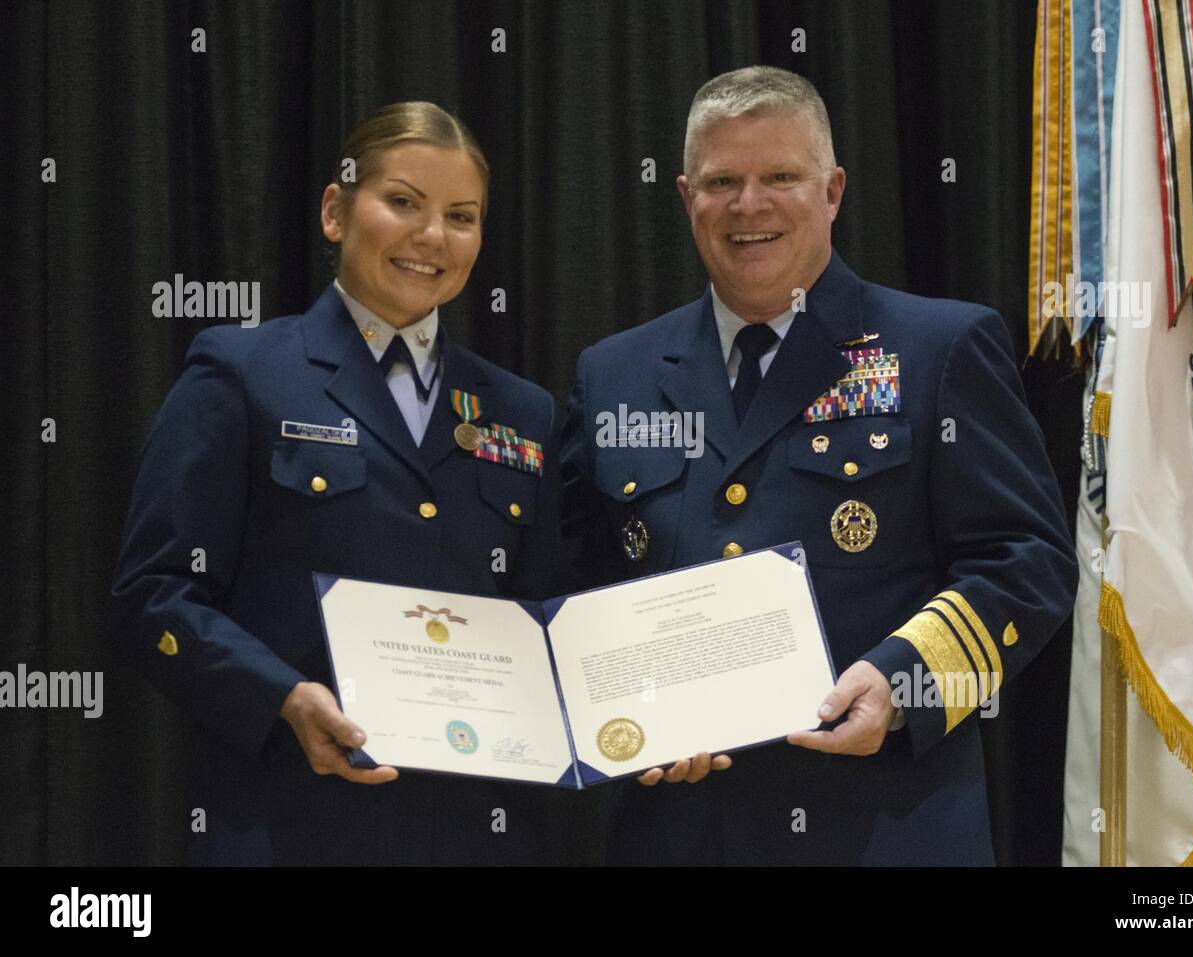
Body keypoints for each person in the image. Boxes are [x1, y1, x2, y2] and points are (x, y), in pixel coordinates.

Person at [559, 66, 1077, 865]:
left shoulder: (938, 347)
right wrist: (624, 707)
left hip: (880, 823)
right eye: (723, 180)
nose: (749, 205)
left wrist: (902, 684)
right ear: (684, 196)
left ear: (833, 190)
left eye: (781, 178)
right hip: (680, 829)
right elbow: (576, 583)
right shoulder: (614, 374)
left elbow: (1028, 563)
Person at [109, 101, 580, 865]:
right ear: (336, 210)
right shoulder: (243, 371)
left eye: (461, 216)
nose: (432, 236)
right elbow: (151, 593)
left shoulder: (521, 409)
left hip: (470, 833)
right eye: (403, 202)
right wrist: (281, 697)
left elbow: (546, 620)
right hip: (287, 821)